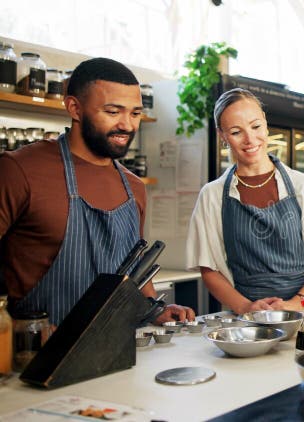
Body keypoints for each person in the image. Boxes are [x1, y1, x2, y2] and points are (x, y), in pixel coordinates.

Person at [0, 57, 194, 326]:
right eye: (113, 112)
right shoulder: (19, 170)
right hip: (39, 357)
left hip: (120, 351)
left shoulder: (133, 188)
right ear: (75, 108)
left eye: (135, 113)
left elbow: (133, 268)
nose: (127, 125)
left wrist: (154, 309)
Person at [186, 88, 304, 320]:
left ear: (266, 125)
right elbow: (210, 270)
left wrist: (295, 304)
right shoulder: (212, 195)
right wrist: (247, 308)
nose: (250, 139)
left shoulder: (302, 185)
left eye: (256, 127)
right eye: (236, 132)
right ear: (222, 136)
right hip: (249, 321)